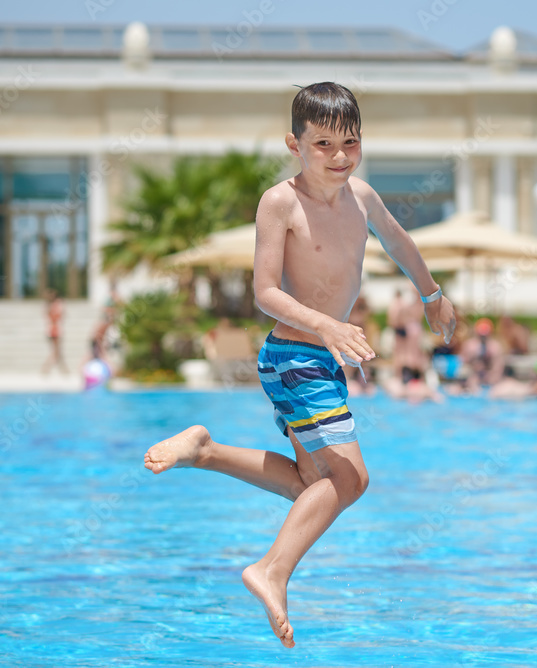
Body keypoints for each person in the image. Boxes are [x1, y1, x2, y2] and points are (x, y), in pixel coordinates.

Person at [142, 83, 456, 649]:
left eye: (351, 142)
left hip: (319, 361)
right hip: (295, 356)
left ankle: (204, 450)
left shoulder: (361, 196)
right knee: (351, 479)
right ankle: (271, 570)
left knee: (314, 483)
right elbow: (264, 291)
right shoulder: (279, 202)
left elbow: (401, 242)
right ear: (295, 143)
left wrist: (433, 295)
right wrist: (328, 325)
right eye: (323, 144)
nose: (339, 156)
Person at [41, 289, 68, 374]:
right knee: (56, 351)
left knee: (57, 351)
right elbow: (57, 315)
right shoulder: (52, 306)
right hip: (53, 329)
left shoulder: (55, 305)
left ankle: (63, 369)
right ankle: (46, 368)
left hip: (55, 328)